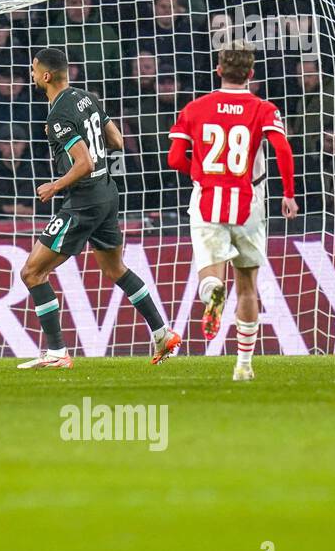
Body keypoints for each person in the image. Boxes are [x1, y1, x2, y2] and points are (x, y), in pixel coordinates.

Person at [18, 46, 181, 370]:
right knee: (114, 269)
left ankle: (57, 352)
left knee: (33, 272)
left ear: (46, 76)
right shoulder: (85, 97)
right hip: (108, 193)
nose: (32, 73)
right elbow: (117, 141)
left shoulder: (59, 114)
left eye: (34, 69)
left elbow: (84, 163)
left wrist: (55, 185)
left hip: (83, 201)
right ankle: (162, 333)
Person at [166, 41, 298, 381]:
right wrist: (288, 194)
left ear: (219, 70)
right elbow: (282, 148)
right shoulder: (263, 108)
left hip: (208, 198)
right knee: (248, 286)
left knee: (211, 272)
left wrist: (201, 173)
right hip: (248, 201)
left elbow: (174, 158)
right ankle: (243, 365)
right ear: (251, 74)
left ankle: (212, 292)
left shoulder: (196, 107)